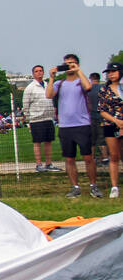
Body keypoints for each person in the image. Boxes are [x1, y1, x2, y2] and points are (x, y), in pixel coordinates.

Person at [46, 53, 101, 200]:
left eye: (72, 63)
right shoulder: (60, 83)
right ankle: (75, 187)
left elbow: (88, 86)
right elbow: (49, 94)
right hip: (65, 126)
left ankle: (93, 185)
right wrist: (51, 77)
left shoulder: (81, 81)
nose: (69, 66)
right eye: (67, 63)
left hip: (82, 124)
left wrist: (78, 71)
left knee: (88, 157)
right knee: (69, 159)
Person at [21, 64, 62, 173]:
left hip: (48, 118)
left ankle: (49, 163)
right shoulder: (30, 88)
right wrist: (29, 118)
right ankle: (39, 164)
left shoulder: (48, 84)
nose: (39, 73)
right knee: (37, 142)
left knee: (48, 141)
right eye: (37, 71)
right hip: (36, 119)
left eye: (41, 71)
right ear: (33, 74)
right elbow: (25, 105)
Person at [98, 62, 123, 201]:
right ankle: (114, 187)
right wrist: (116, 121)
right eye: (109, 72)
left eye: (114, 71)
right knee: (114, 155)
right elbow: (102, 110)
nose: (111, 74)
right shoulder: (104, 89)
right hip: (111, 125)